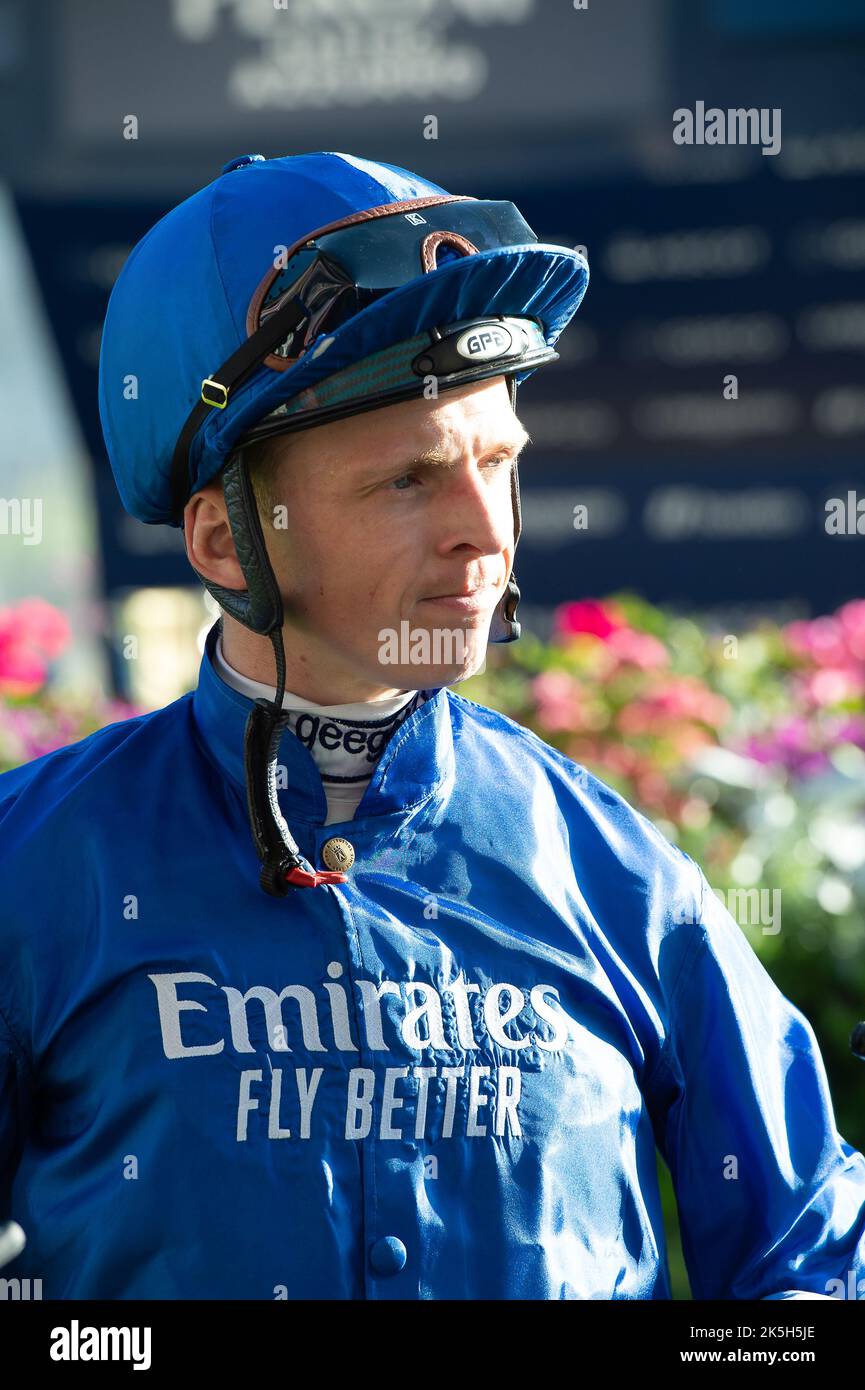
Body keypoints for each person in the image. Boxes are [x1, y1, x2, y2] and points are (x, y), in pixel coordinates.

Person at [0, 151, 862, 1301]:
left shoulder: (617, 870)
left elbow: (807, 1255)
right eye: (406, 480)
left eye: (497, 462)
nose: (481, 530)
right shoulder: (33, 868)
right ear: (221, 542)